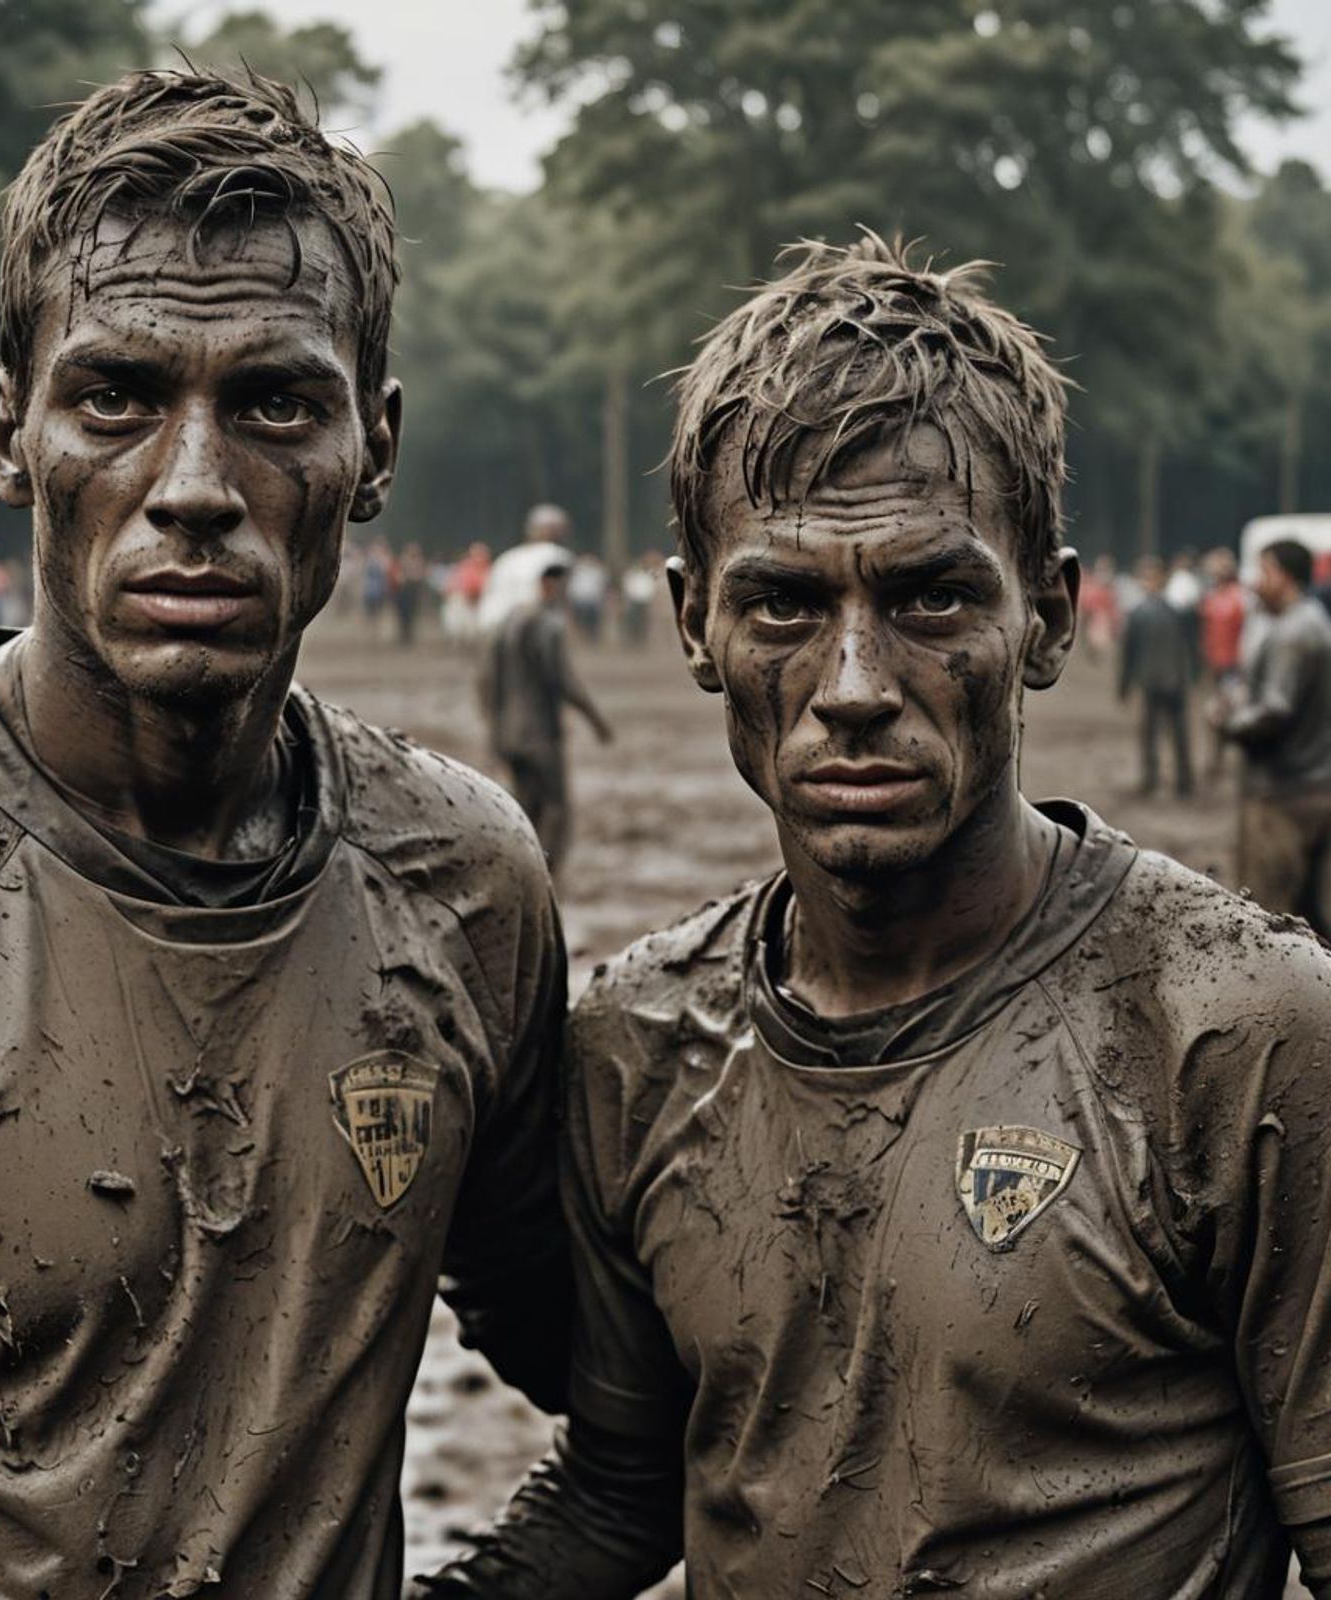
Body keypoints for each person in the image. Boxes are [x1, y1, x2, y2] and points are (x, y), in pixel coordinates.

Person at [0, 66, 572, 1600]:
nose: (194, 487)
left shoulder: (463, 883)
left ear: (371, 450)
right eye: (116, 396)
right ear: (10, 434)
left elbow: (632, 1379)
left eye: (275, 404)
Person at [415, 236, 1331, 1600]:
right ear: (694, 623)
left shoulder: (1237, 1033)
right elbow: (627, 1480)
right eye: (784, 600)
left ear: (1049, 618)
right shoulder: (636, 1046)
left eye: (931, 597)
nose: (854, 682)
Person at [1217, 537, 1331, 935]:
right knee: (1313, 913)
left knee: (1266, 918)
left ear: (1285, 577)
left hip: (1283, 794)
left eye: (1264, 571)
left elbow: (1275, 711)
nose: (1255, 581)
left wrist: (1225, 722)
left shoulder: (1293, 632)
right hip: (1315, 783)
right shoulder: (1313, 619)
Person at [479, 555, 612, 877]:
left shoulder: (506, 623)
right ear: (550, 584)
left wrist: (494, 728)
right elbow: (562, 680)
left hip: (508, 734)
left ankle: (520, 869)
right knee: (556, 808)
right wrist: (596, 720)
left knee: (525, 805)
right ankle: (544, 876)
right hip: (539, 735)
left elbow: (485, 681)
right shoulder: (548, 625)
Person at [1118, 553, 1194, 796]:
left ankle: (1151, 780)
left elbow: (1128, 655)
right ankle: (1183, 782)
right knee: (1178, 733)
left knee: (1151, 734)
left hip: (1152, 681)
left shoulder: (1138, 614)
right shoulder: (1176, 611)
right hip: (1174, 680)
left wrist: (1124, 685)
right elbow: (1189, 646)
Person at [477, 503, 574, 631]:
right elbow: (550, 591)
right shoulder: (558, 556)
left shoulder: (507, 557)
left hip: (491, 621)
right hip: (531, 624)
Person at [1198, 545, 1248, 776]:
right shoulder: (1211, 597)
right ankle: (1216, 759)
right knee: (1215, 715)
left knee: (1232, 714)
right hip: (1215, 665)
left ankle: (1238, 761)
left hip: (1234, 667)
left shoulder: (1240, 598)